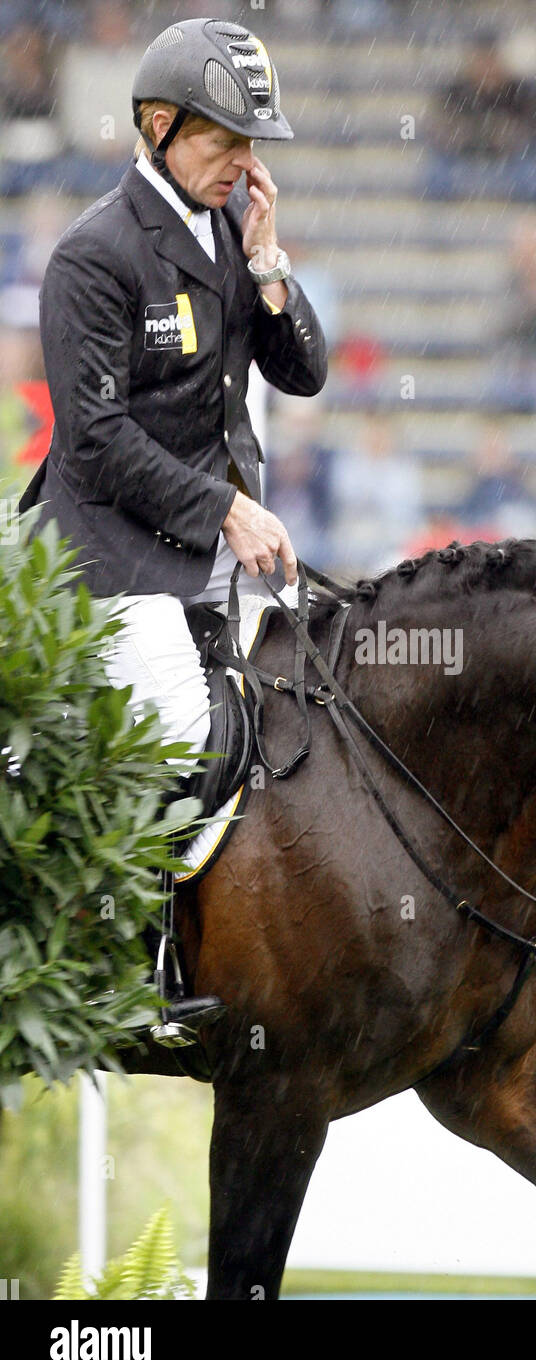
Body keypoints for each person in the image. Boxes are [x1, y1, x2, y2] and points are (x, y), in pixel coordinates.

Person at [19, 18, 328, 1020]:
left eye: (251, 146)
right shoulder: (92, 258)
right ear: (157, 125)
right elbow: (96, 441)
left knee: (272, 745)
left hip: (199, 559)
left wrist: (270, 260)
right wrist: (227, 506)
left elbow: (303, 371)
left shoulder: (227, 234)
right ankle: (120, 956)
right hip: (105, 562)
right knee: (191, 733)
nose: (242, 162)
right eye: (223, 141)